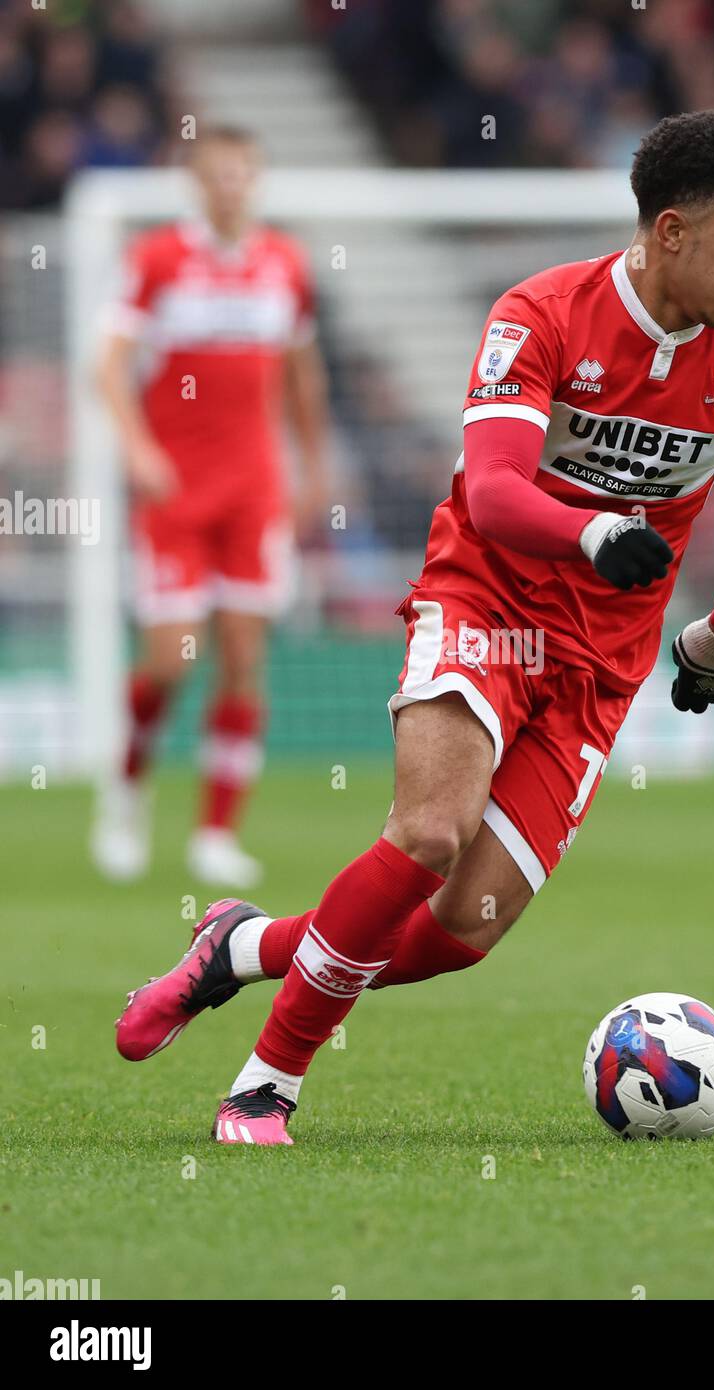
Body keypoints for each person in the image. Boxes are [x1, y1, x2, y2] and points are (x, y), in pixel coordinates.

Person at [115, 111, 714, 1145]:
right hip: (486, 602)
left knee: (461, 931)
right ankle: (267, 1082)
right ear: (671, 232)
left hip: (601, 661)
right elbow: (490, 493)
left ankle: (240, 947)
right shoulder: (541, 314)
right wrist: (591, 534)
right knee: (430, 831)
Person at [91, 125, 330, 887]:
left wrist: (312, 467)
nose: (231, 185)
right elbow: (107, 366)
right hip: (175, 489)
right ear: (196, 180)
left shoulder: (282, 264)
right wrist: (136, 447)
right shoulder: (157, 259)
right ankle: (126, 788)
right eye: (218, 173)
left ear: (255, 180)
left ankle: (216, 834)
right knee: (170, 658)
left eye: (243, 173)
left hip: (253, 489)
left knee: (241, 655)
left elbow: (301, 375)